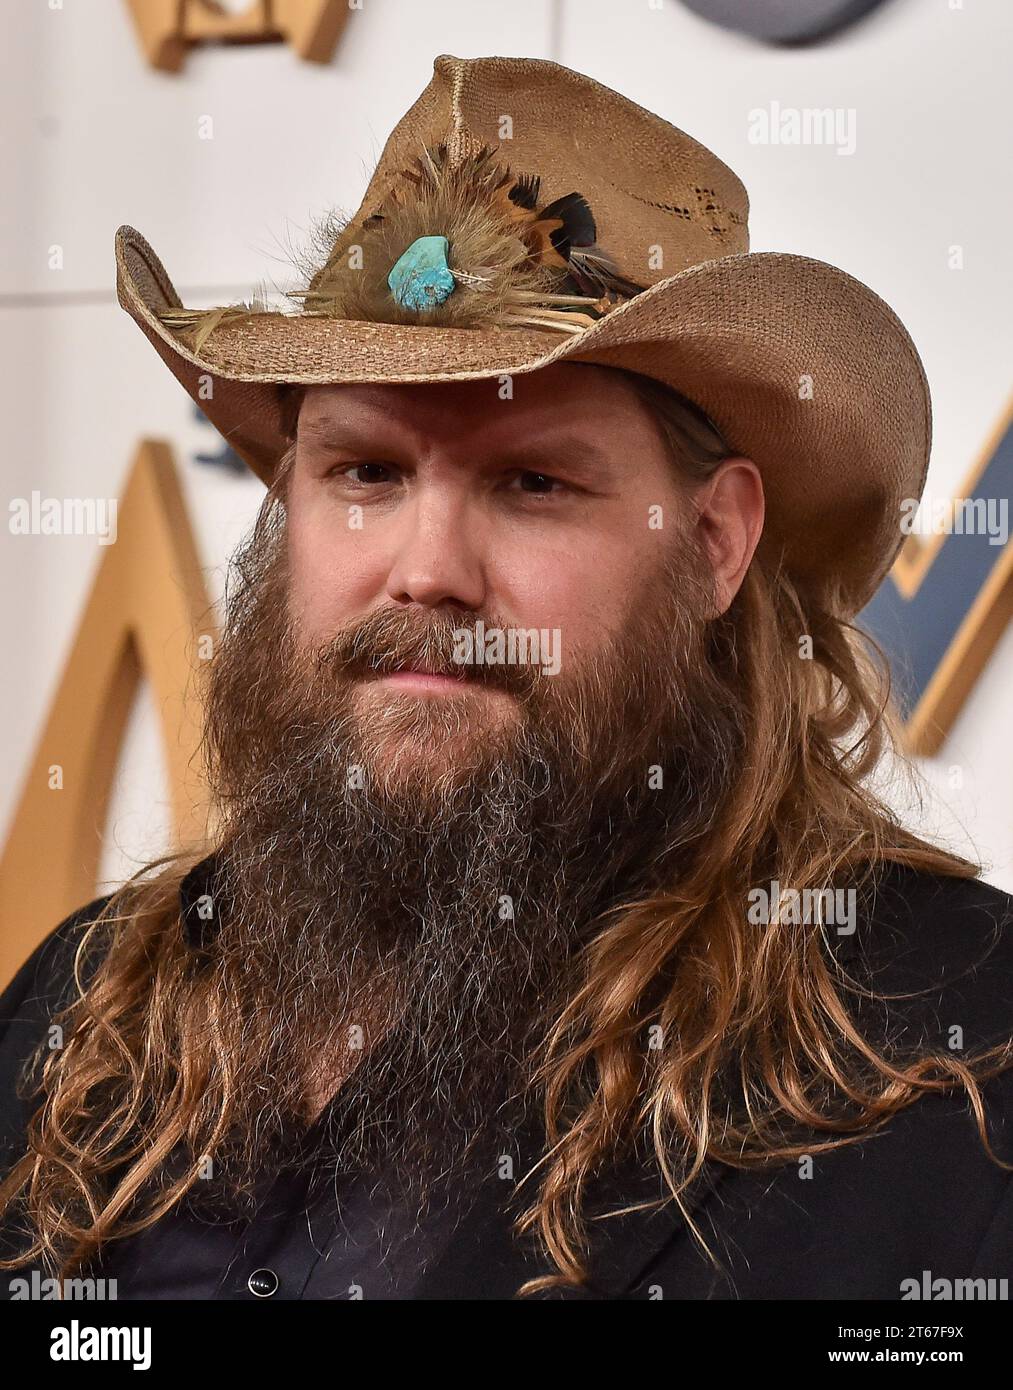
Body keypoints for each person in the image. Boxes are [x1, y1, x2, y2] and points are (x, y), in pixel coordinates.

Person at [2, 53, 1011, 1302]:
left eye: (532, 482)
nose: (427, 572)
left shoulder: (950, 1044)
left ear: (712, 545)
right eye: (364, 472)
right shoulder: (77, 999)